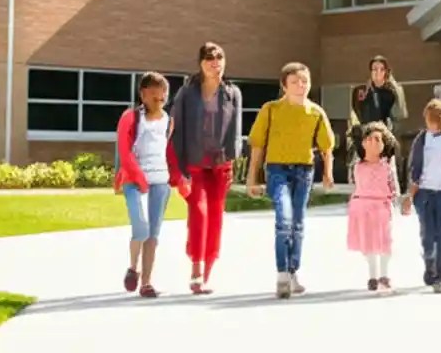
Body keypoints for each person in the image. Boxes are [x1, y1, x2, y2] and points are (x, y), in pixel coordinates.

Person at [246, 62, 336, 299]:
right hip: (277, 171)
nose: (301, 86)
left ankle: (293, 270)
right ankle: (282, 274)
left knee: (297, 223)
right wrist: (251, 178)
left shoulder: (316, 112)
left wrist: (328, 173)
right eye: (295, 82)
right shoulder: (271, 109)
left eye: (304, 81)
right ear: (284, 85)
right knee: (284, 220)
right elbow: (257, 145)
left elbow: (326, 147)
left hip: (304, 172)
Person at [170, 41, 243, 295]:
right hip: (195, 163)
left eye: (220, 58)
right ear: (201, 64)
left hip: (221, 163)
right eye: (210, 59)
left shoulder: (232, 92)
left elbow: (236, 130)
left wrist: (233, 160)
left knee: (216, 217)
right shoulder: (187, 93)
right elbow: (176, 131)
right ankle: (196, 268)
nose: (216, 63)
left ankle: (208, 269)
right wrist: (178, 171)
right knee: (199, 213)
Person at [115, 72, 189, 298]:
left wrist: (179, 179)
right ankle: (132, 267)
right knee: (141, 227)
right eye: (154, 94)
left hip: (160, 182)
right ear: (143, 94)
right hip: (134, 181)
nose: (159, 98)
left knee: (153, 234)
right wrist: (138, 178)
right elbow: (124, 151)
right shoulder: (131, 117)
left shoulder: (169, 121)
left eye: (163, 94)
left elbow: (168, 152)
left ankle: (146, 282)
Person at [401, 99, 441, 293]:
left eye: (436, 119)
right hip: (424, 194)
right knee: (427, 235)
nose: (432, 123)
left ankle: (440, 276)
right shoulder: (422, 139)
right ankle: (430, 265)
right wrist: (409, 195)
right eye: (430, 119)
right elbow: (414, 168)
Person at [347, 121, 402, 293]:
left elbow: (394, 187)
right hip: (363, 207)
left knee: (385, 241)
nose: (373, 142)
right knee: (368, 243)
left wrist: (398, 201)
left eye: (378, 139)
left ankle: (384, 275)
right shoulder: (357, 166)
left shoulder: (387, 166)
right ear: (362, 143)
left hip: (382, 207)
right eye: (369, 138)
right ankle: (372, 275)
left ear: (385, 144)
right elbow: (355, 184)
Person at [355, 55, 408, 128]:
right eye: (375, 69)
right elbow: (359, 113)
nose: (378, 72)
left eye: (382, 69)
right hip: (368, 131)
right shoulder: (363, 91)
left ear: (386, 72)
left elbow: (399, 115)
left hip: (386, 131)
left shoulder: (391, 92)